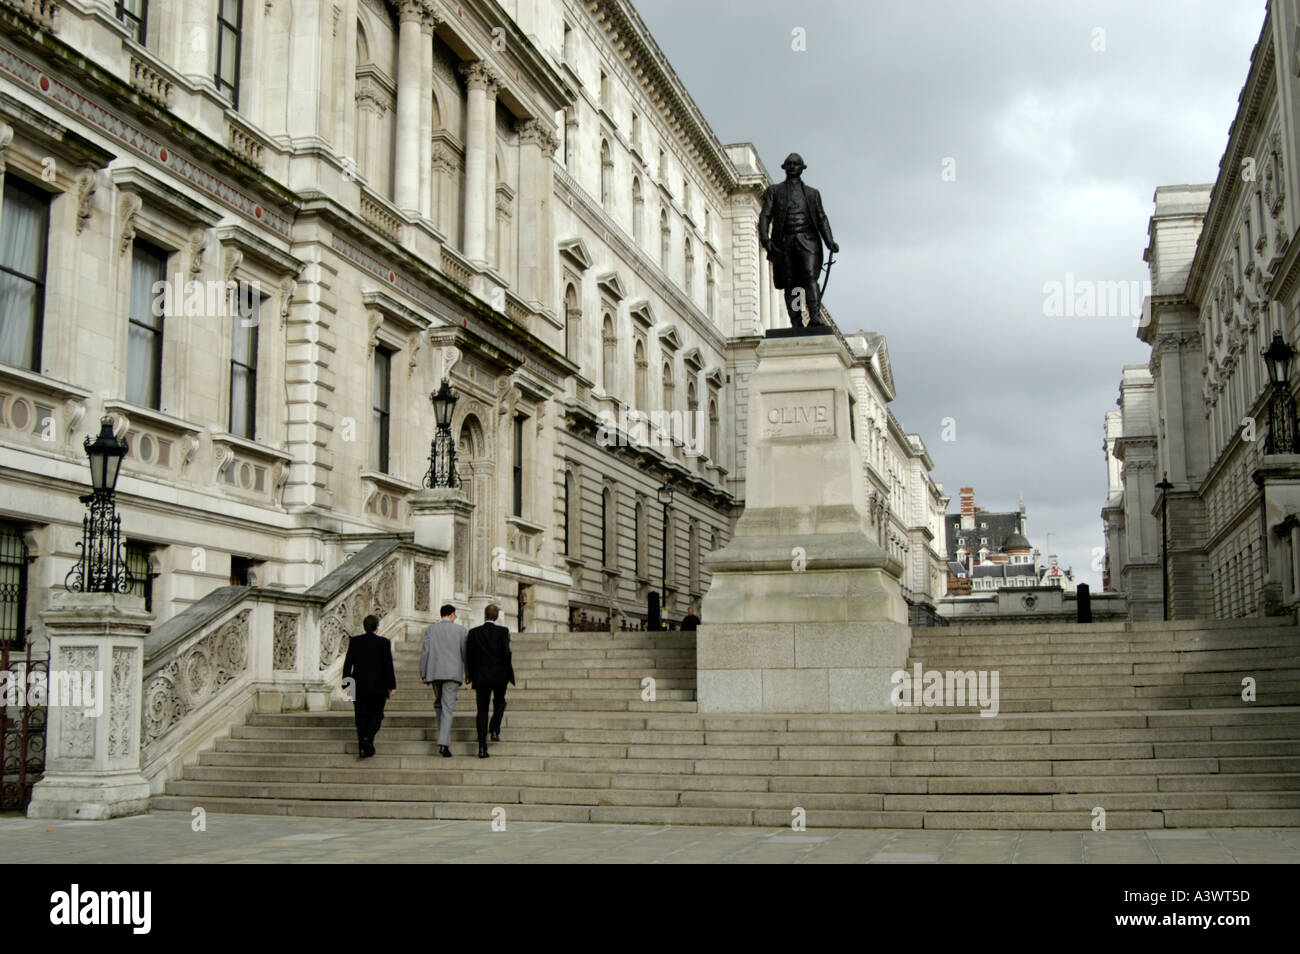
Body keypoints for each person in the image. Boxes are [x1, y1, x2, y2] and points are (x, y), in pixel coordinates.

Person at [758, 152, 839, 328]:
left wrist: (829, 241)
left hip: (808, 240)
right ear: (784, 167)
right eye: (789, 163)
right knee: (791, 284)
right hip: (785, 242)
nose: (793, 166)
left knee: (810, 277)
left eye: (796, 163)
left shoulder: (812, 194)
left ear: (802, 168)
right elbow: (765, 215)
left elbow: (821, 218)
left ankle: (815, 316)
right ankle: (796, 321)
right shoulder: (774, 191)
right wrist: (766, 240)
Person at [341, 614, 396, 759]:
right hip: (378, 686)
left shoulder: (355, 641)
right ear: (377, 627)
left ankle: (363, 746)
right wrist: (392, 685)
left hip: (357, 685)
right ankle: (367, 740)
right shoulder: (384, 643)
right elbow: (388, 665)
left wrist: (346, 683)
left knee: (360, 717)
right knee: (377, 716)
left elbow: (348, 664)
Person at [465, 603, 516, 759]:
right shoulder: (503, 631)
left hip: (481, 677)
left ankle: (482, 747)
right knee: (500, 702)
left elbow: (469, 656)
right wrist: (509, 673)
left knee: (482, 711)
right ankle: (494, 728)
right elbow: (506, 653)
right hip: (499, 675)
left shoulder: (474, 633)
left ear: (484, 615)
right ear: (497, 617)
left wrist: (470, 674)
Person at [419, 603, 467, 757]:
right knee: (447, 707)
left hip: (435, 672)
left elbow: (425, 653)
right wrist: (469, 672)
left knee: (440, 705)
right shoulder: (460, 631)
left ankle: (443, 737)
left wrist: (423, 672)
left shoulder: (431, 630)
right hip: (452, 674)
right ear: (452, 614)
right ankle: (444, 743)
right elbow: (465, 654)